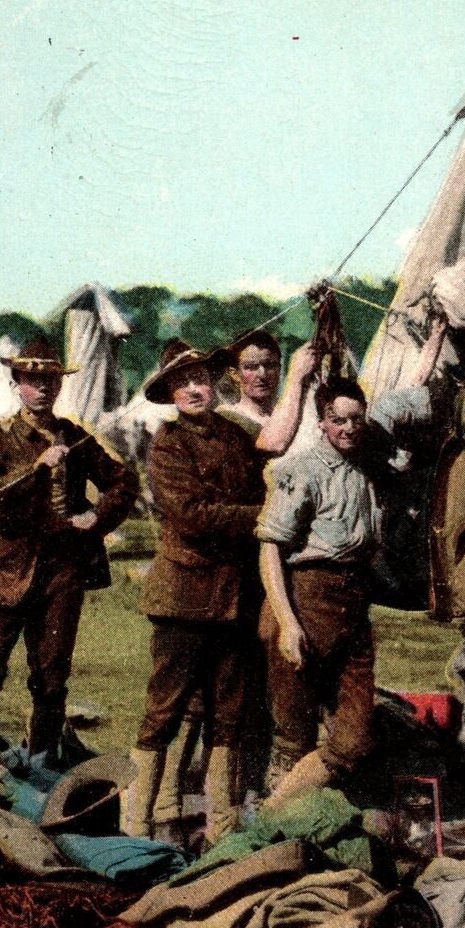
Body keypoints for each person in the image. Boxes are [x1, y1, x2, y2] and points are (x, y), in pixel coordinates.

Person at [255, 330, 448, 809]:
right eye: (338, 420)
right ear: (322, 423)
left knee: (356, 739)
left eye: (355, 420)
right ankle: (277, 829)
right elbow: (271, 549)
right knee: (293, 734)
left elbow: (402, 399)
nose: (348, 428)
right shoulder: (302, 470)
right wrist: (286, 622)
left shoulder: (368, 460)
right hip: (305, 597)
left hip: (353, 604)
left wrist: (433, 346)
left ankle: (287, 807)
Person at [0, 337, 137, 763]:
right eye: (33, 380)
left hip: (61, 572)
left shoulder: (73, 436)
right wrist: (36, 469)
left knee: (52, 679)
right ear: (17, 382)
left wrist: (97, 519)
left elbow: (124, 482)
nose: (42, 388)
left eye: (50, 380)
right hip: (2, 571)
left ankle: (41, 768)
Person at [124, 340, 267, 846]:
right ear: (169, 393)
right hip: (184, 597)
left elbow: (262, 489)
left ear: (215, 383)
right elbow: (190, 515)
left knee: (228, 712)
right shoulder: (167, 444)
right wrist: (258, 519)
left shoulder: (238, 435)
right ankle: (139, 828)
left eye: (200, 379)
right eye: (181, 384)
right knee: (165, 709)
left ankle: (220, 828)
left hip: (234, 597)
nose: (192, 389)